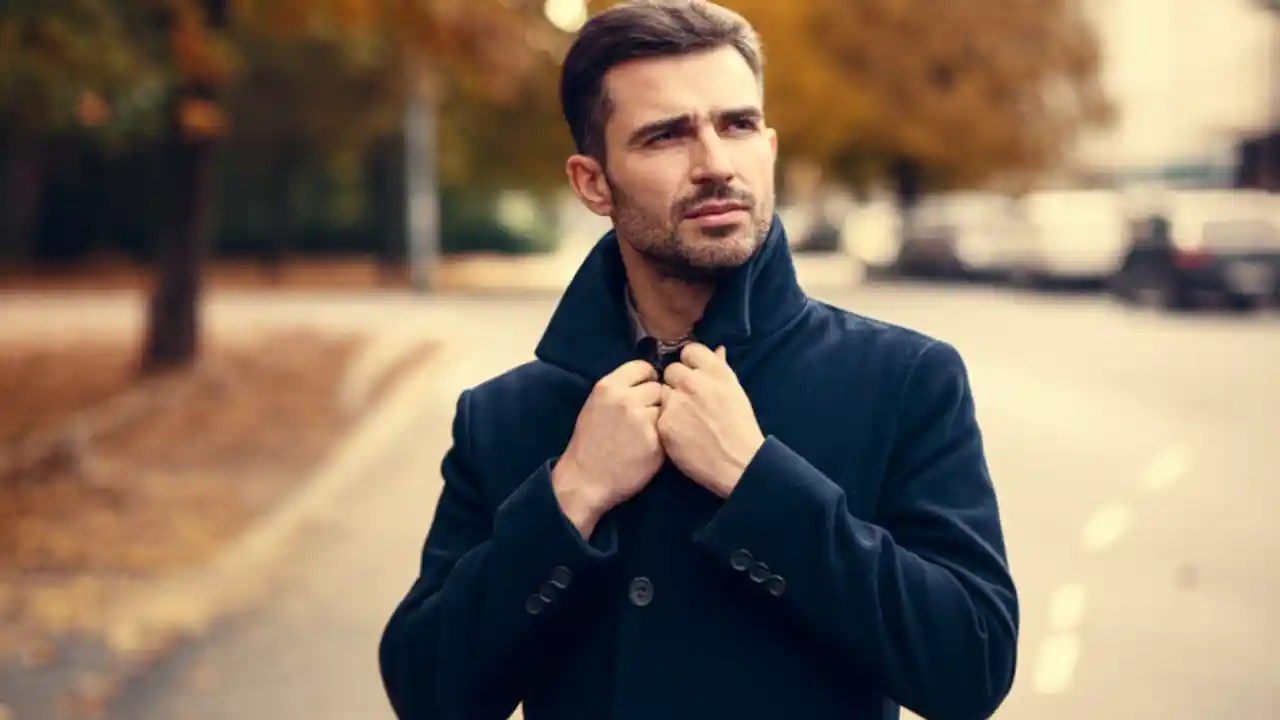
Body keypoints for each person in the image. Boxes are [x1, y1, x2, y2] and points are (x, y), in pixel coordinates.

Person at [378, 2, 1019, 718]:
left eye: (737, 125)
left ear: (769, 148)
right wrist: (572, 496)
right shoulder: (504, 417)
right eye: (665, 137)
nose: (715, 164)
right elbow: (427, 693)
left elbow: (971, 666)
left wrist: (758, 483)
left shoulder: (904, 381)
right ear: (593, 183)